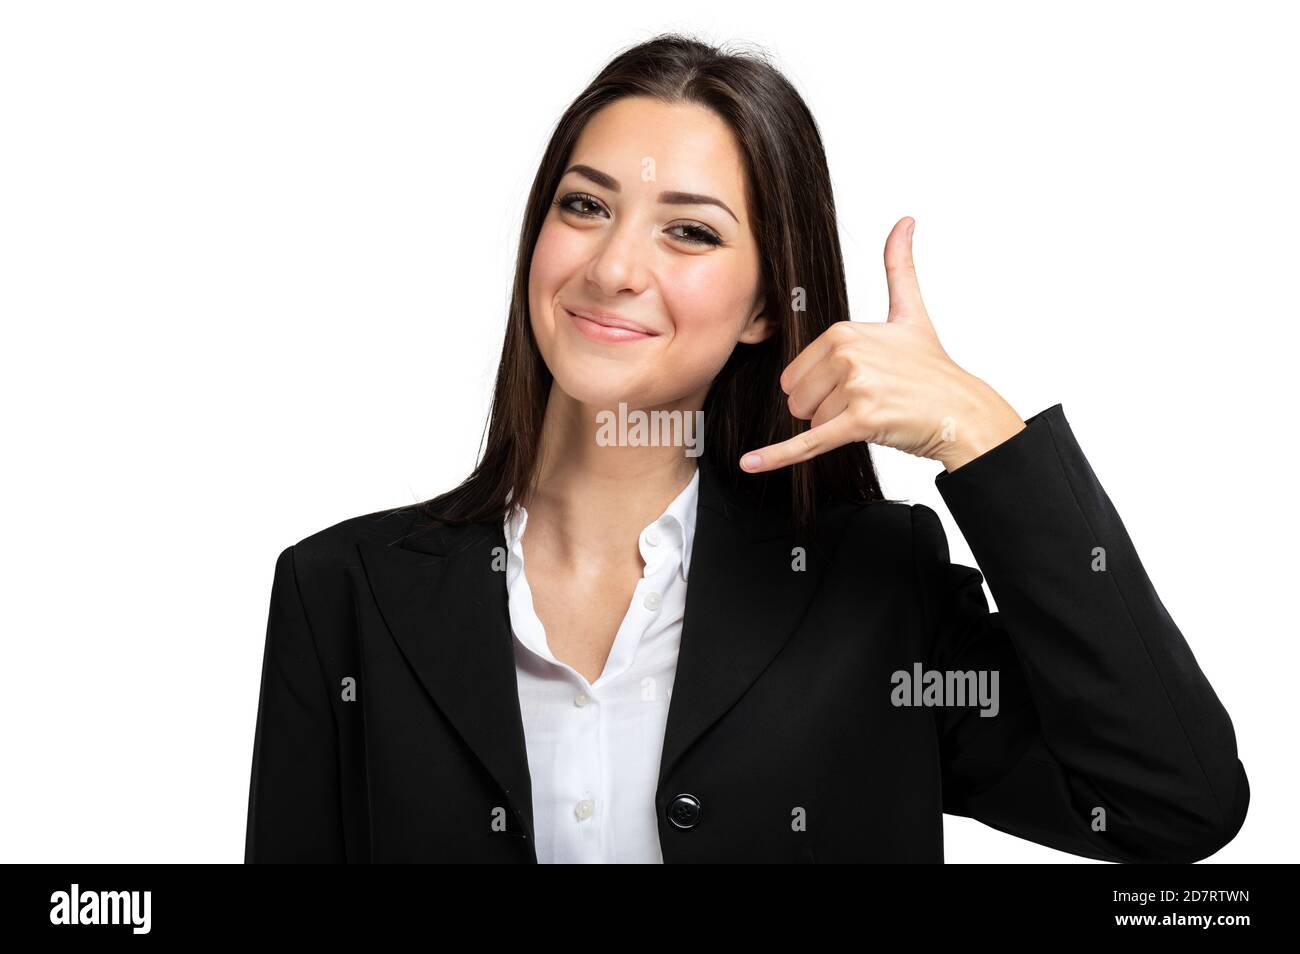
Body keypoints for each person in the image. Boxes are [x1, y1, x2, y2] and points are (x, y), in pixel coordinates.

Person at [244, 33, 1248, 863]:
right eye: (584, 206)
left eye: (689, 234)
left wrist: (979, 434)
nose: (614, 267)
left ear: (766, 306)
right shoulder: (344, 590)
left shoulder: (871, 588)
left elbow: (1171, 801)